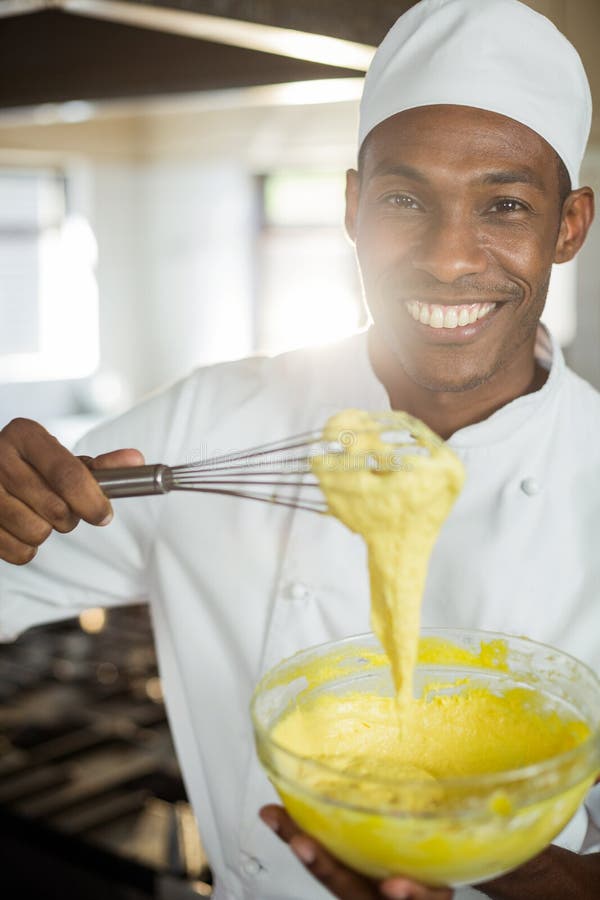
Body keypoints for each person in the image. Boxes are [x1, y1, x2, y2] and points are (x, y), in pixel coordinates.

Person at [0, 0, 599, 897]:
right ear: (353, 207)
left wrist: (537, 879)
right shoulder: (206, 422)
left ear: (569, 226)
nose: (449, 258)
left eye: (505, 205)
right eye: (404, 199)